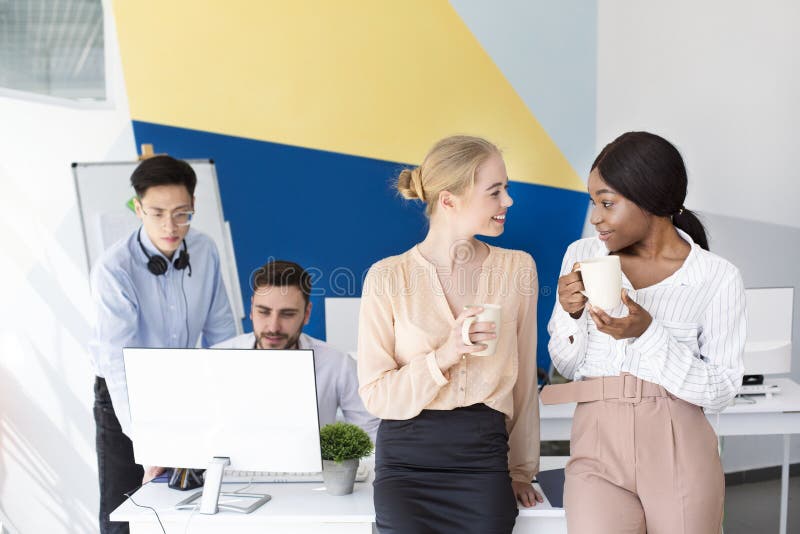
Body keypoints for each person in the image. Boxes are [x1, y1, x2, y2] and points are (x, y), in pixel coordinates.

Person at [543, 131, 746, 534]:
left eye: (607, 203)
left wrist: (648, 334)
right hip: (596, 441)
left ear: (651, 200)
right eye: (593, 202)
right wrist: (572, 313)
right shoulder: (582, 255)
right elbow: (566, 362)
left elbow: (723, 389)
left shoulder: (716, 277)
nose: (595, 217)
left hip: (680, 446)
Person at [357, 135, 542, 534]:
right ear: (448, 201)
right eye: (495, 192)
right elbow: (375, 394)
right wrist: (445, 354)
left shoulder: (517, 270)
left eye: (506, 189)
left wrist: (522, 469)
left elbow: (524, 378)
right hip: (405, 465)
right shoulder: (387, 277)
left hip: (483, 459)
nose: (507, 201)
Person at [89, 155, 237, 534]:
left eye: (181, 213)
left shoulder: (204, 252)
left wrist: (233, 409)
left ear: (193, 207)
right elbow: (117, 363)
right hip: (124, 395)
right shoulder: (114, 267)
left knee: (191, 506)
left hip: (185, 389)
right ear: (138, 208)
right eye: (156, 213)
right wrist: (149, 443)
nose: (170, 226)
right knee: (125, 510)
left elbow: (222, 336)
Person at [213, 259, 379, 441]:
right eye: (264, 312)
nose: (273, 327)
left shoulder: (337, 364)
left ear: (306, 314)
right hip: (232, 469)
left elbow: (371, 435)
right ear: (252, 309)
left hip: (313, 469)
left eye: (287, 314)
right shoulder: (215, 359)